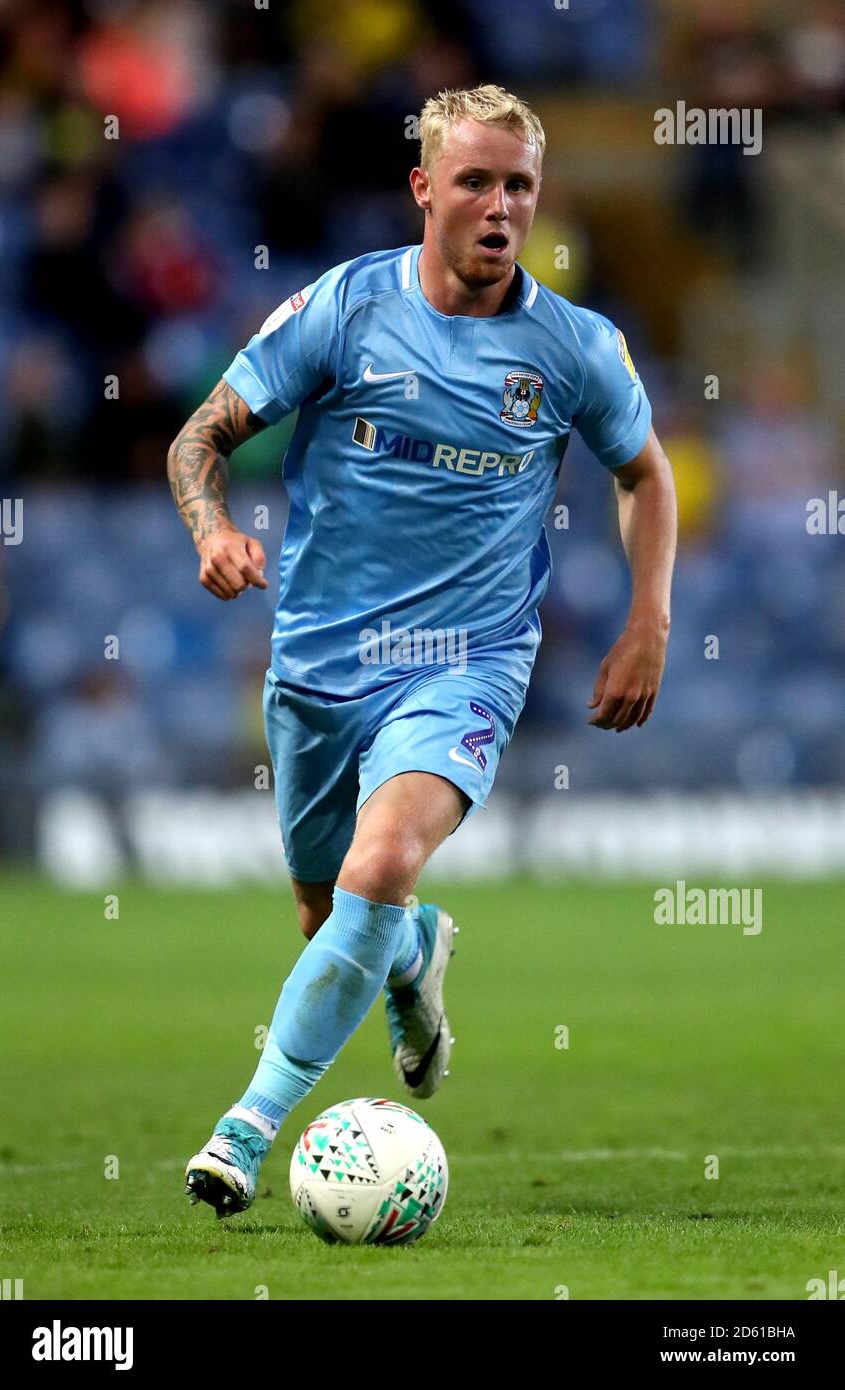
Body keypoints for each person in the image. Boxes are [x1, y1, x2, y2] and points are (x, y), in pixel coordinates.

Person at [166, 84, 677, 1217]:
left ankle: (243, 1133)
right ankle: (411, 957)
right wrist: (212, 528)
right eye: (476, 183)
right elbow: (201, 431)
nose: (501, 209)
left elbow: (644, 473)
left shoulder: (573, 347)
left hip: (466, 660)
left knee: (381, 863)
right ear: (423, 191)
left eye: (520, 188)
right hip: (317, 664)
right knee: (329, 912)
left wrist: (647, 620)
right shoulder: (343, 311)